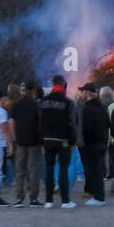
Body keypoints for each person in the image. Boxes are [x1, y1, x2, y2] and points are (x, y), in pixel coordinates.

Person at [37, 75, 77, 209]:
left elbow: (39, 122)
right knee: (63, 169)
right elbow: (72, 124)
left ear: (52, 84)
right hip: (63, 140)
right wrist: (72, 141)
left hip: (47, 140)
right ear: (63, 85)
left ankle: (48, 200)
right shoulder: (68, 102)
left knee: (49, 168)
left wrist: (41, 139)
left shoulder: (43, 102)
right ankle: (65, 201)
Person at [11, 81, 42, 207]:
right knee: (33, 170)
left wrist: (14, 138)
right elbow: (40, 123)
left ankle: (19, 198)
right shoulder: (36, 105)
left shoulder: (16, 104)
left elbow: (12, 122)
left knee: (20, 170)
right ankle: (33, 199)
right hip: (34, 141)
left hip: (20, 141)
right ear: (33, 90)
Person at [78, 83, 108, 204]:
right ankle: (98, 195)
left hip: (92, 144)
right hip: (102, 142)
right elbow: (108, 124)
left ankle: (99, 197)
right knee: (98, 169)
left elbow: (87, 128)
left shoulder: (87, 108)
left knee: (95, 170)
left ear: (88, 93)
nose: (82, 94)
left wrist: (86, 142)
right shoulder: (102, 107)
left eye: (83, 91)